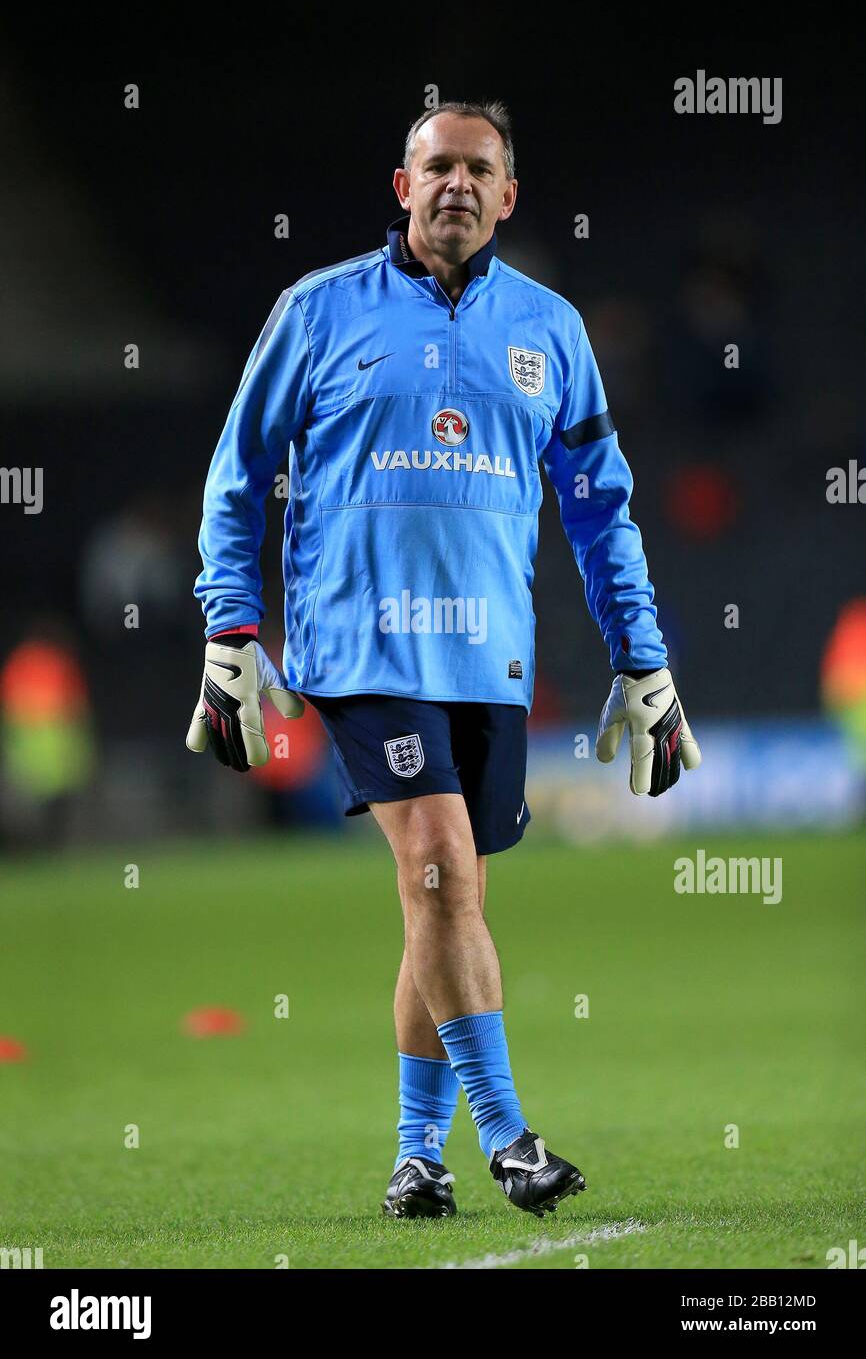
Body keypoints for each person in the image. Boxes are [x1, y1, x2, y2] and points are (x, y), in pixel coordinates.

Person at [187, 100, 701, 1219]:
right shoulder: (318, 312)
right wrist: (233, 628)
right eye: (437, 167)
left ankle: (416, 1154)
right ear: (401, 186)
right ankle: (510, 1140)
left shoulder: (551, 331)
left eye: (478, 169)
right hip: (360, 644)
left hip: (487, 659)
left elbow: (599, 510)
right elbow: (238, 474)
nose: (456, 184)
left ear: (508, 196)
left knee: (440, 902)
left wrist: (643, 662)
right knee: (442, 869)